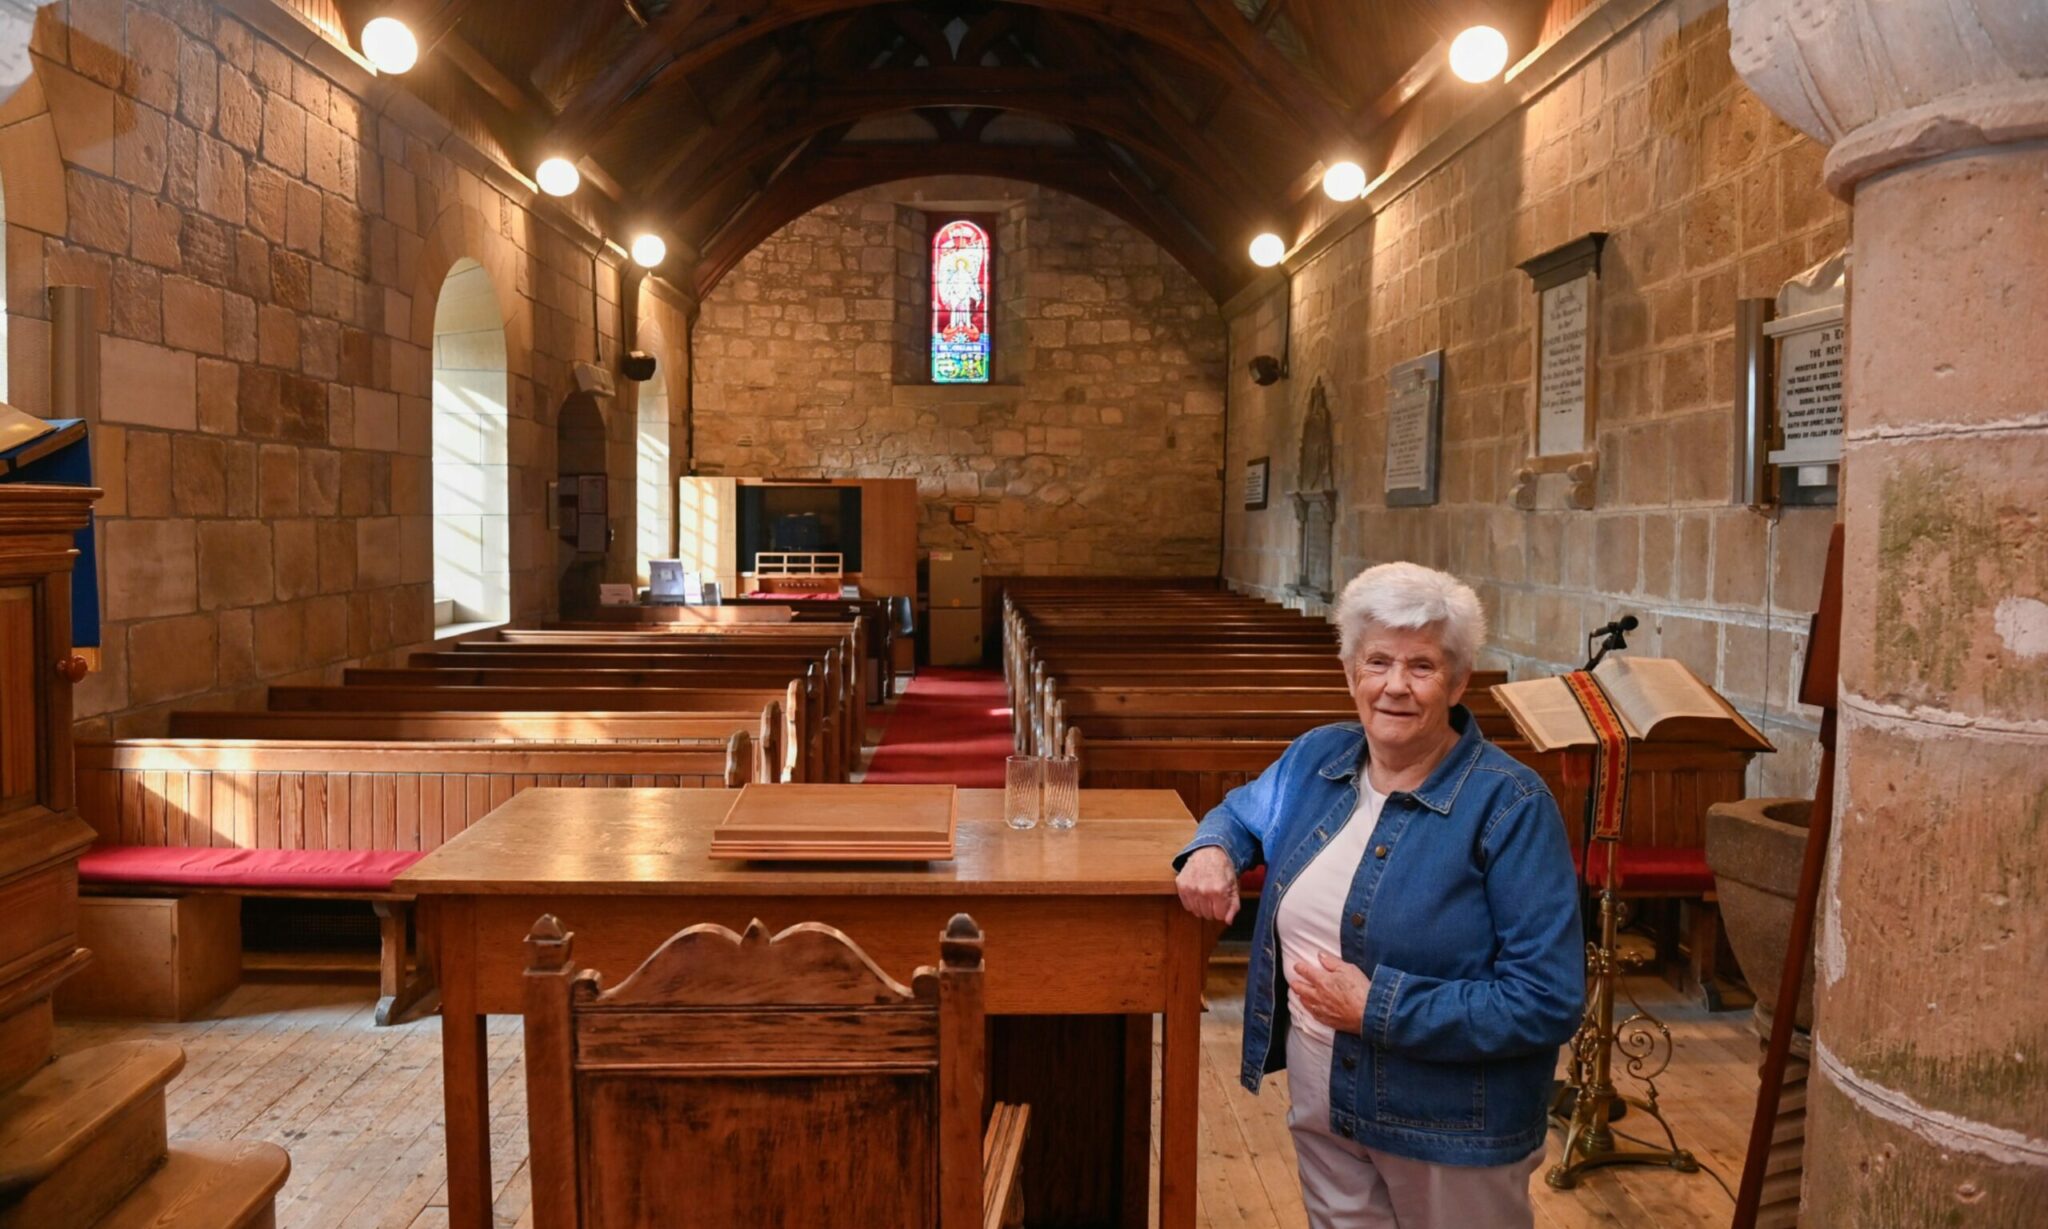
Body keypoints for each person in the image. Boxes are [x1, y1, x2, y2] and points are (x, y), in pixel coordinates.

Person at [1174, 562, 1583, 1228]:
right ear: (1350, 673)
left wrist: (1377, 1008)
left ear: (1458, 682)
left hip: (1449, 1127)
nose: (1395, 685)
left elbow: (1547, 998)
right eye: (1378, 662)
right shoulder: (1318, 758)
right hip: (1325, 1098)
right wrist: (1214, 849)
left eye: (1422, 666)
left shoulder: (1509, 804)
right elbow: (1243, 811)